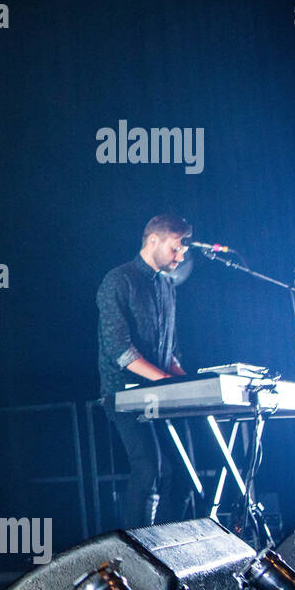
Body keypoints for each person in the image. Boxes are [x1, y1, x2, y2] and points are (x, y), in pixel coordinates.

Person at [97, 214, 192, 528]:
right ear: (153, 240)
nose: (180, 257)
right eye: (175, 249)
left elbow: (171, 349)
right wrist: (166, 382)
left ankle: (167, 548)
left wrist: (188, 382)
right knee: (149, 468)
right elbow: (120, 350)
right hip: (124, 394)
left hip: (160, 393)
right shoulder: (118, 280)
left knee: (180, 471)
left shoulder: (167, 286)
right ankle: (138, 549)